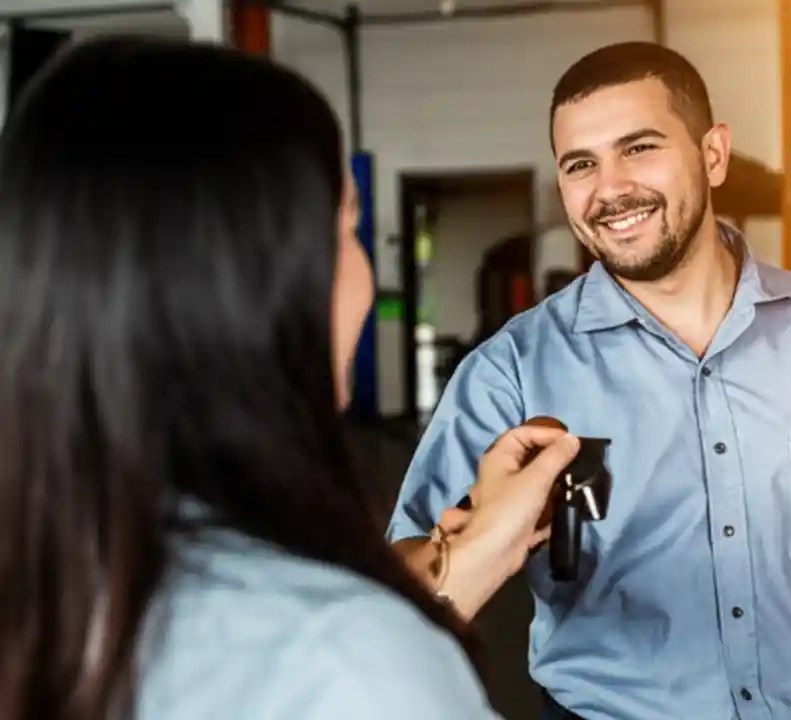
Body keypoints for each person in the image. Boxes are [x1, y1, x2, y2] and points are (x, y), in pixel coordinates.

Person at [390, 42, 791, 720]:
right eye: (581, 164)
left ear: (712, 155)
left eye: (640, 147)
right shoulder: (512, 372)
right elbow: (400, 592)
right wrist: (478, 543)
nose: (611, 187)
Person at [0, 37, 580, 720]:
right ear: (258, 280)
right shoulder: (346, 660)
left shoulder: (54, 585)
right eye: (348, 229)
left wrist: (478, 548)